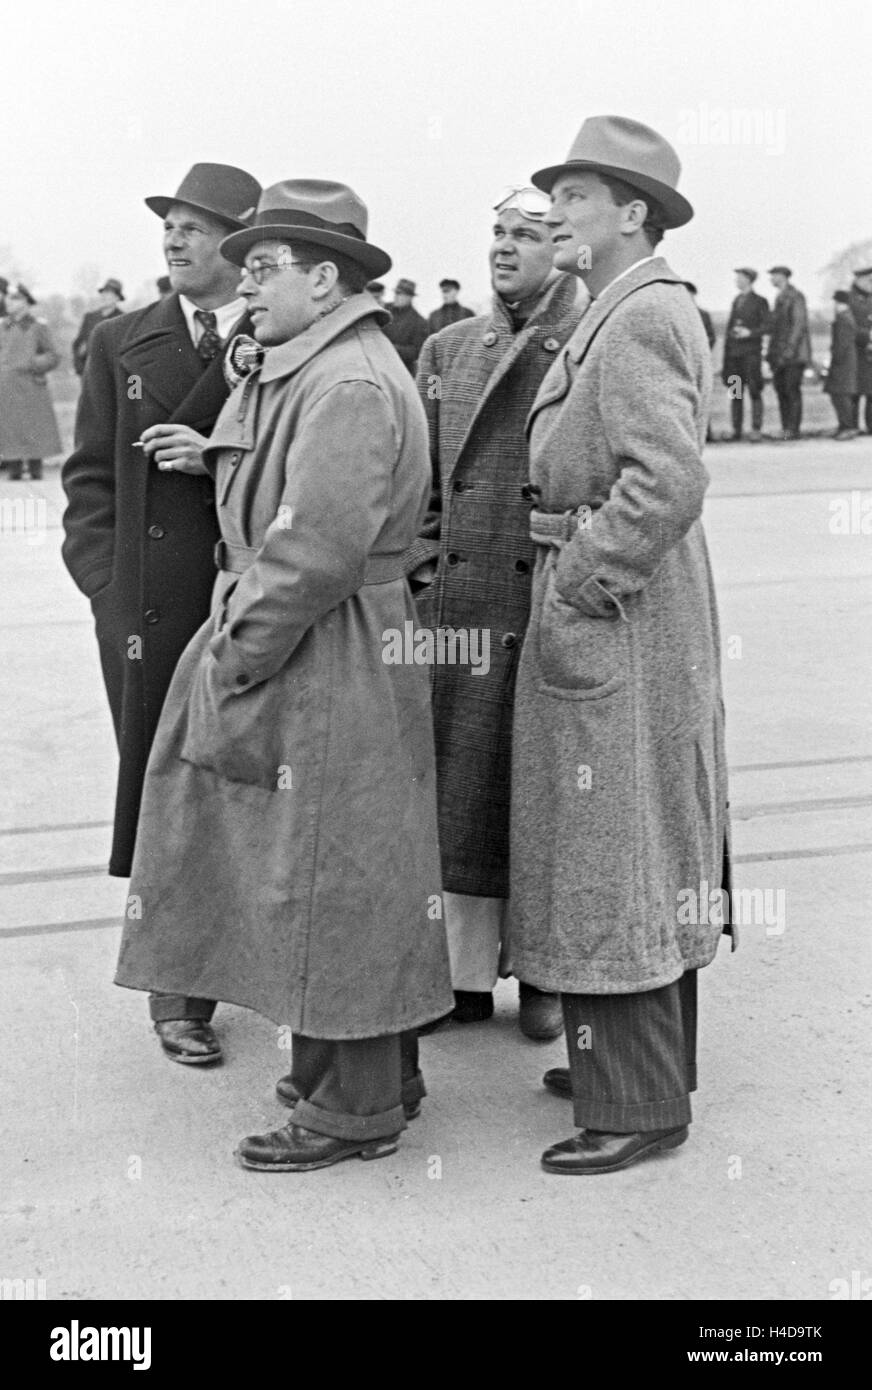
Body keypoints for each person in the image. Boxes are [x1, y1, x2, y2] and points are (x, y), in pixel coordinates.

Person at [114, 179, 453, 1173]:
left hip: (322, 647)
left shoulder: (344, 383)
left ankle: (351, 1113)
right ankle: (367, 1077)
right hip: (323, 641)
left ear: (325, 277)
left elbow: (312, 552)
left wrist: (237, 652)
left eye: (263, 268)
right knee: (328, 868)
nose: (243, 282)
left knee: (332, 875)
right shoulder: (308, 364)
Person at [512, 115, 732, 1175]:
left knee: (616, 840)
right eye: (552, 196)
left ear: (629, 214)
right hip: (630, 609)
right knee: (630, 830)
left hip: (619, 611)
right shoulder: (616, 307)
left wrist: (588, 577)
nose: (553, 212)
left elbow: (666, 477)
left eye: (574, 197)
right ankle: (632, 1064)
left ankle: (638, 1104)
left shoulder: (638, 313)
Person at [61, 162, 261, 1066]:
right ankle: (177, 989)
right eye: (169, 226)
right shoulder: (119, 339)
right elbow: (91, 479)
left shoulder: (278, 333)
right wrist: (107, 584)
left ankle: (264, 964)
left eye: (198, 225)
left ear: (243, 243)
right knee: (160, 791)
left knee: (255, 784)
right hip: (149, 605)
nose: (176, 240)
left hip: (255, 597)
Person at [409, 185, 583, 1037]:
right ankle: (465, 974)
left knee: (541, 793)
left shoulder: (589, 340)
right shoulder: (446, 347)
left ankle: (546, 973)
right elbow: (420, 492)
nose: (505, 247)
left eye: (528, 234)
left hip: (544, 600)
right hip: (460, 604)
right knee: (459, 791)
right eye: (499, 233)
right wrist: (421, 578)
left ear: (570, 246)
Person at [0, 283, 62, 480]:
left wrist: (33, 363)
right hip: (6, 386)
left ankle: (36, 467)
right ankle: (14, 467)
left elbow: (53, 355)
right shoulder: (2, 326)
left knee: (34, 425)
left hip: (31, 384)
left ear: (25, 302)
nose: (7, 302)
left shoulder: (38, 326)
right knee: (10, 426)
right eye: (7, 298)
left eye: (14, 299)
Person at [722, 267, 769, 441]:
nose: (737, 281)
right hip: (734, 357)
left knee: (755, 391)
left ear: (748, 280)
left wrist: (750, 333)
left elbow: (767, 326)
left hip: (751, 355)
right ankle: (737, 430)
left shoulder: (760, 302)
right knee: (736, 393)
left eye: (740, 278)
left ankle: (756, 429)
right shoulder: (736, 301)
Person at [767, 265, 811, 440]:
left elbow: (798, 325)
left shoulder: (795, 296)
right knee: (782, 390)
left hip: (793, 355)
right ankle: (786, 428)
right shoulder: (780, 297)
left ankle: (793, 429)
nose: (771, 279)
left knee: (791, 390)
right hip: (781, 355)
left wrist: (789, 351)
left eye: (773, 276)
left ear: (783, 277)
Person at [71, 278, 125, 376]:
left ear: (117, 298)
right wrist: (80, 369)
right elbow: (77, 345)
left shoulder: (123, 320)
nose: (104, 296)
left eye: (110, 293)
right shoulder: (90, 317)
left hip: (112, 376)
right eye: (103, 292)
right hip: (89, 374)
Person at [825, 291, 858, 438]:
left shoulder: (843, 319)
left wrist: (835, 359)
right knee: (840, 395)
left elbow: (841, 344)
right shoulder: (847, 317)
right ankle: (844, 426)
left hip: (842, 363)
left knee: (840, 395)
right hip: (845, 362)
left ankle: (847, 427)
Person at [382, 277, 428, 373]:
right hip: (378, 365)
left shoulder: (419, 322)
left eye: (400, 294)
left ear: (409, 297)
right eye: (396, 293)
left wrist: (392, 348)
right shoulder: (383, 310)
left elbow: (416, 351)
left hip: (400, 371)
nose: (396, 296)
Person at [847, 266, 872, 433]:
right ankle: (852, 425)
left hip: (869, 353)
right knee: (853, 390)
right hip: (855, 351)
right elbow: (848, 326)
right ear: (858, 280)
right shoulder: (847, 299)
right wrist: (868, 338)